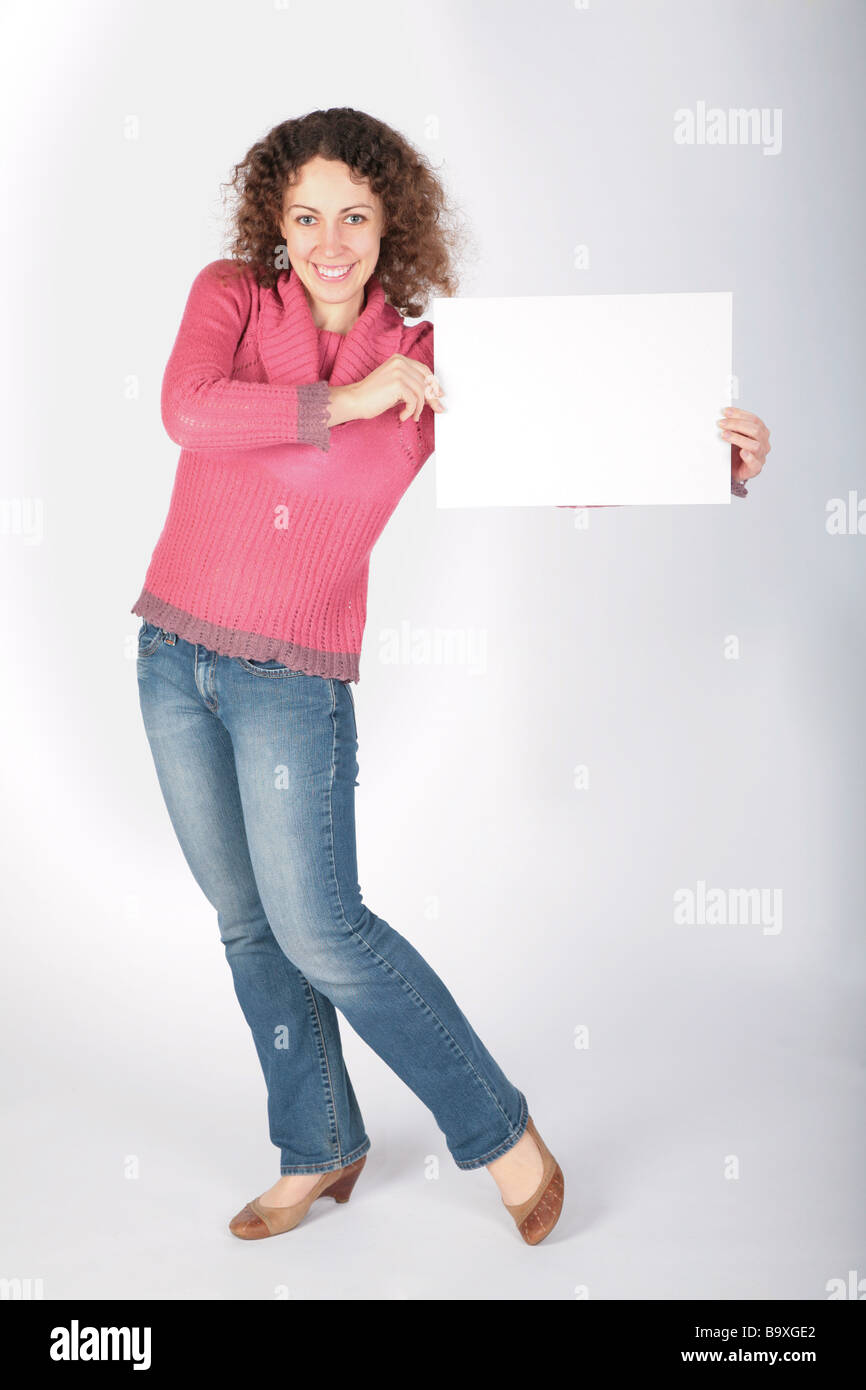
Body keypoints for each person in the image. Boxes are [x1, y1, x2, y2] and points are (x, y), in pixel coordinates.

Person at [131, 106, 770, 1249]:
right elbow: (189, 411)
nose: (331, 239)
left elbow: (558, 457)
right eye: (307, 214)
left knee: (321, 928)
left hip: (290, 680)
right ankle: (318, 1142)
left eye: (357, 215)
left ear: (392, 224)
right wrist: (343, 403)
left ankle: (498, 1129)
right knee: (246, 926)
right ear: (275, 220)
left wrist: (703, 460)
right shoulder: (230, 297)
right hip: (172, 656)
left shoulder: (424, 361)